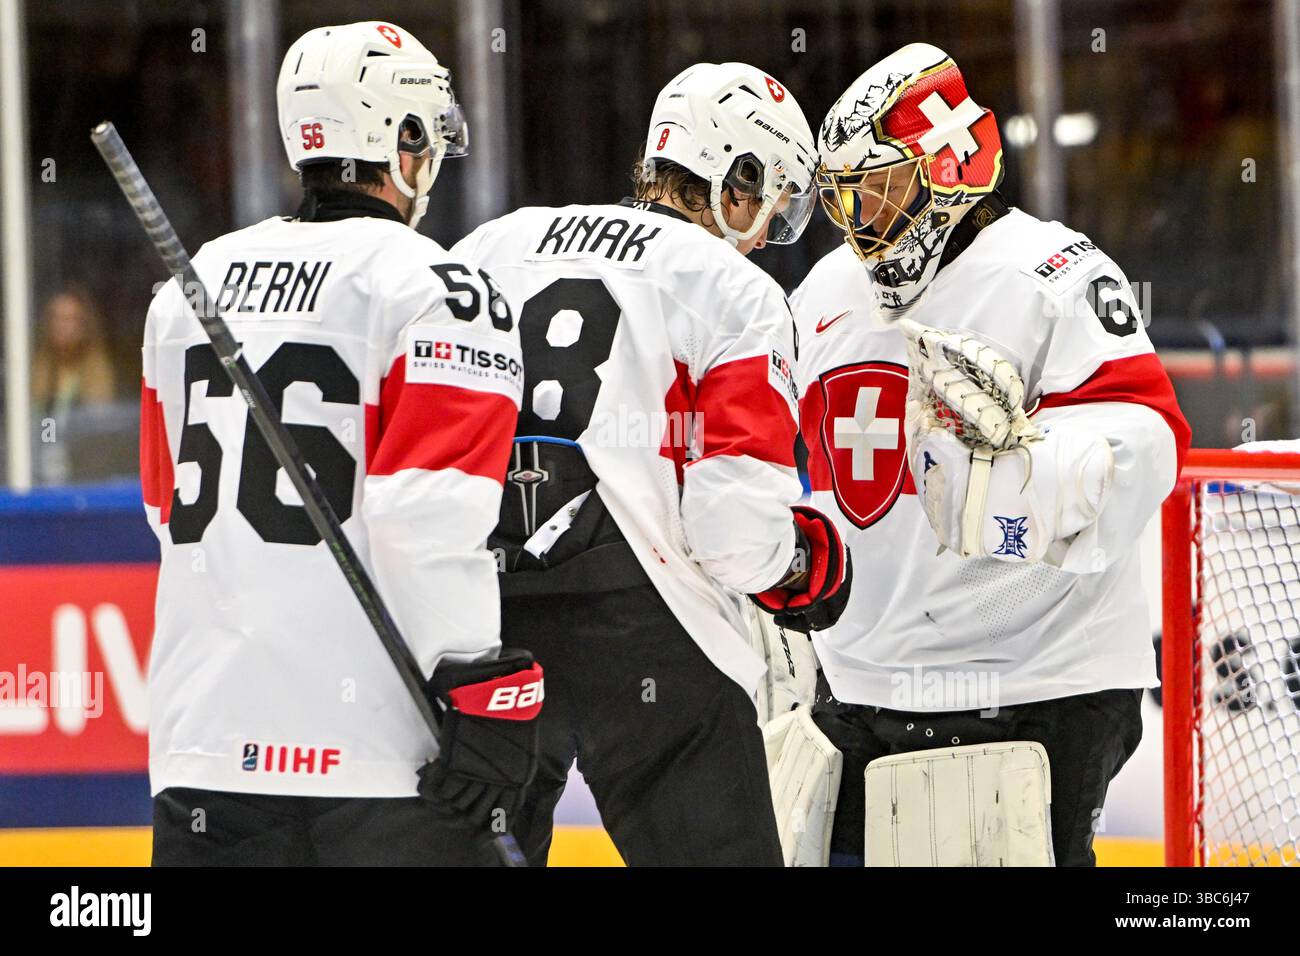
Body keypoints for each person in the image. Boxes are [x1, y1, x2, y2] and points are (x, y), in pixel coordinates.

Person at [141, 20, 540, 866]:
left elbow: (160, 504)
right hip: (384, 763)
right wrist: (474, 686)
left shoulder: (188, 288)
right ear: (400, 140)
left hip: (206, 746)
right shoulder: (441, 287)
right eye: (426, 135)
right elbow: (428, 511)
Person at [791, 43, 1191, 865]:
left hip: (1036, 689)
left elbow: (1150, 444)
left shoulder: (1052, 273)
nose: (860, 219)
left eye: (880, 187)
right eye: (843, 197)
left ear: (949, 163)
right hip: (859, 689)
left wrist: (1025, 476)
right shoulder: (822, 294)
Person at [451, 62, 851, 866]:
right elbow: (734, 531)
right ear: (738, 179)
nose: (767, 230)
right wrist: (802, 563)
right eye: (772, 203)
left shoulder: (487, 245)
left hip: (484, 625)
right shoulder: (733, 289)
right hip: (644, 630)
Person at [32, 289, 116, 419]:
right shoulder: (35, 369)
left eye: (70, 319)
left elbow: (98, 423)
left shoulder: (96, 372)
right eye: (57, 318)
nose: (62, 326)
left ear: (84, 326)